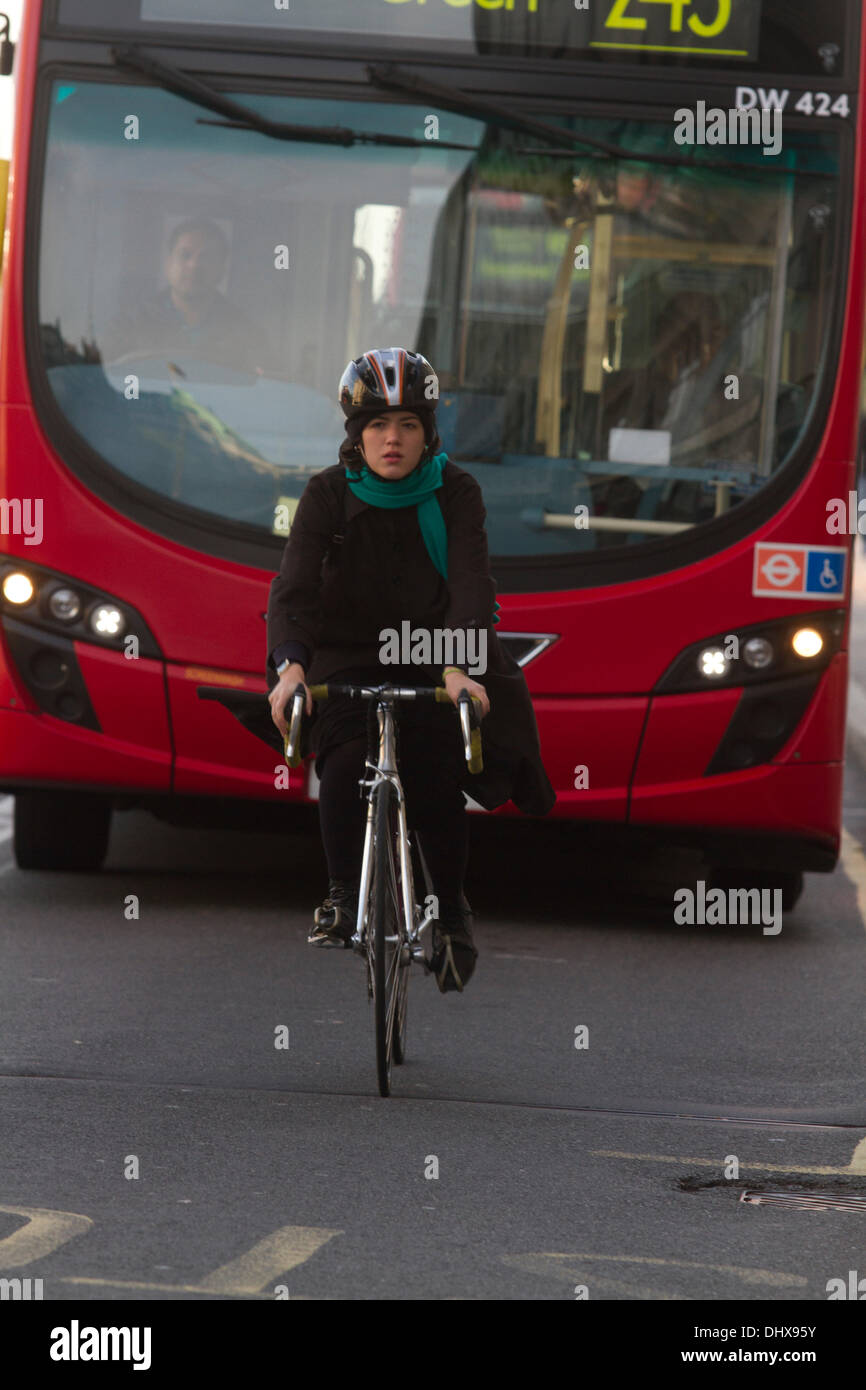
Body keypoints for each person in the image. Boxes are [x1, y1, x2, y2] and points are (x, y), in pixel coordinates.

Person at [266, 347, 555, 992]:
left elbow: (471, 584)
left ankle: (450, 909)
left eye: (407, 425)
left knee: (432, 777)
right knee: (340, 761)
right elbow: (294, 591)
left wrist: (458, 667)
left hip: (433, 649)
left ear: (428, 434)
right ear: (355, 434)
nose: (391, 439)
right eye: (376, 425)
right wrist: (289, 668)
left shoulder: (456, 491)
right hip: (343, 651)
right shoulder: (324, 494)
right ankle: (343, 896)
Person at [102, 217, 275, 374]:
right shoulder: (127, 327)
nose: (194, 265)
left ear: (222, 268)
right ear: (168, 263)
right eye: (185, 255)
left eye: (206, 257)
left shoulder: (248, 334)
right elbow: (99, 385)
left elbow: (266, 391)